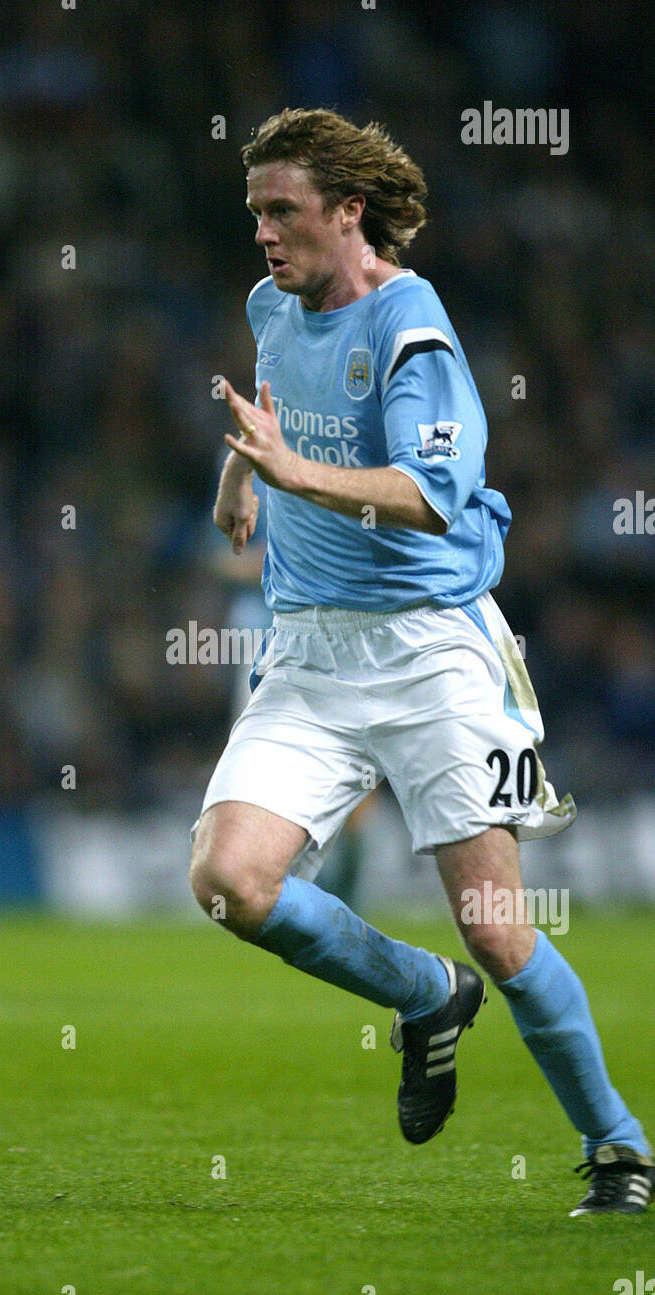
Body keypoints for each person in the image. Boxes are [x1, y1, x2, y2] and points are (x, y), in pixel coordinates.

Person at [189, 109, 651, 1215]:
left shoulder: (412, 330)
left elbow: (428, 497)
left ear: (348, 212)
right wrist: (244, 477)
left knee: (496, 929)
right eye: (254, 211)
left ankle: (617, 1148)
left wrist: (291, 473)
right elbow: (283, 415)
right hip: (307, 649)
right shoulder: (272, 303)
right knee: (227, 882)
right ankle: (418, 994)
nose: (262, 232)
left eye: (282, 211)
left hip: (428, 653)